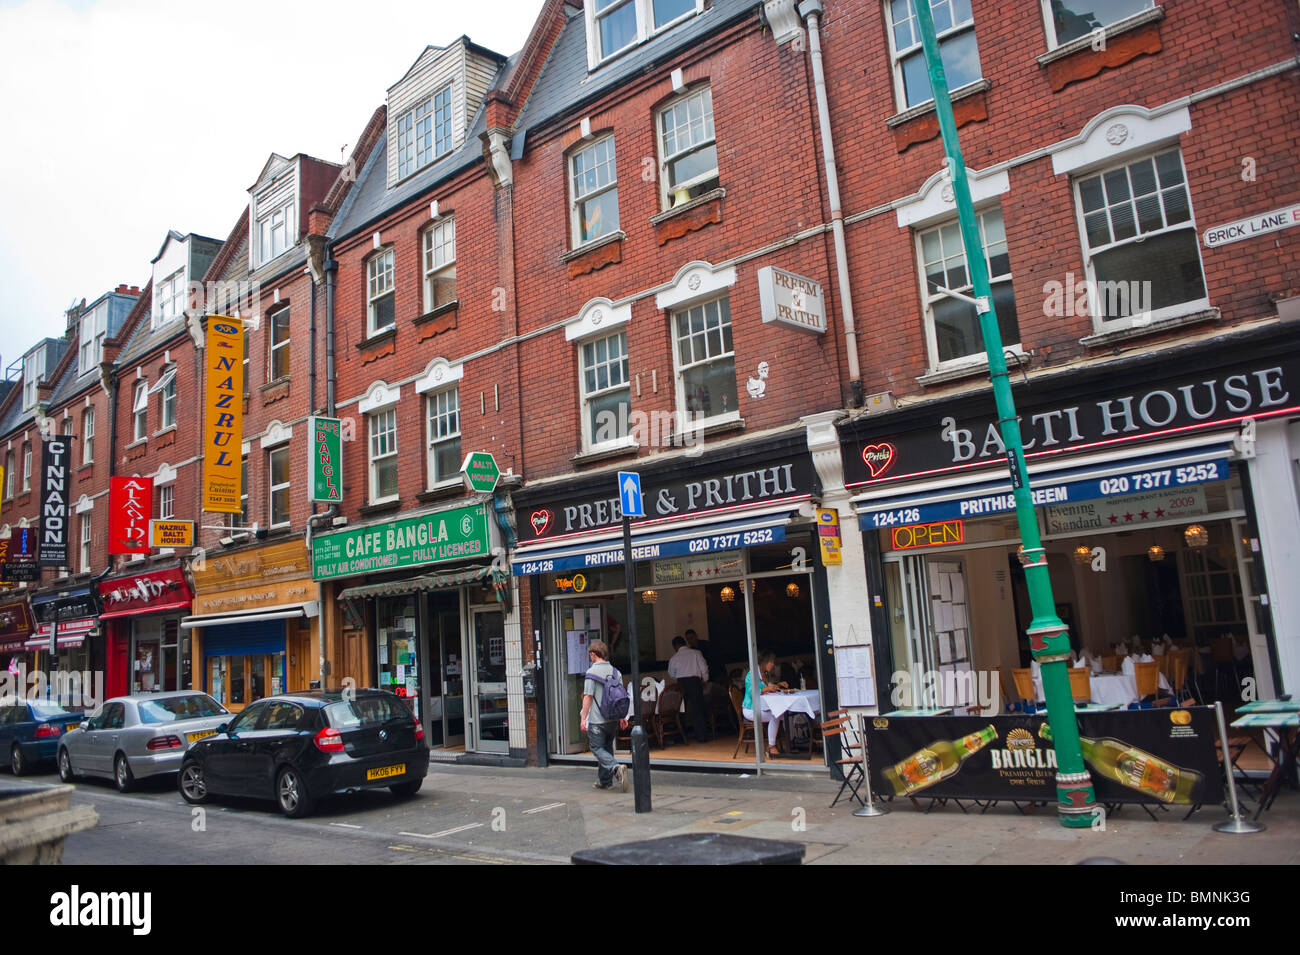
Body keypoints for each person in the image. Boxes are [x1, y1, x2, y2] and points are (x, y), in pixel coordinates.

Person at [581, 640, 628, 791]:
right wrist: (622, 716)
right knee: (607, 748)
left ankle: (616, 768)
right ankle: (604, 782)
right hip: (613, 719)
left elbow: (587, 697)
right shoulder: (616, 672)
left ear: (593, 654)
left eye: (590, 655)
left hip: (597, 719)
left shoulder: (591, 673)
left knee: (596, 747)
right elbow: (620, 696)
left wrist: (583, 718)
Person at [743, 651, 788, 757]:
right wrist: (767, 688)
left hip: (762, 707)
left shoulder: (765, 674)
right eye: (771, 662)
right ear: (764, 662)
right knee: (776, 715)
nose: (773, 664)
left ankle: (792, 742)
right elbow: (752, 692)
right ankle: (771, 747)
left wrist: (777, 685)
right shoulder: (751, 675)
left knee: (783, 713)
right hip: (751, 709)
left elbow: (767, 688)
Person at [668, 635, 711, 743]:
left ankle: (682, 737)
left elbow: (672, 674)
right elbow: (704, 668)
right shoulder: (696, 653)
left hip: (681, 683)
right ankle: (701, 736)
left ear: (675, 646)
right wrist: (704, 680)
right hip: (695, 682)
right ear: (684, 643)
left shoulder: (674, 658)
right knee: (698, 709)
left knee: (681, 710)